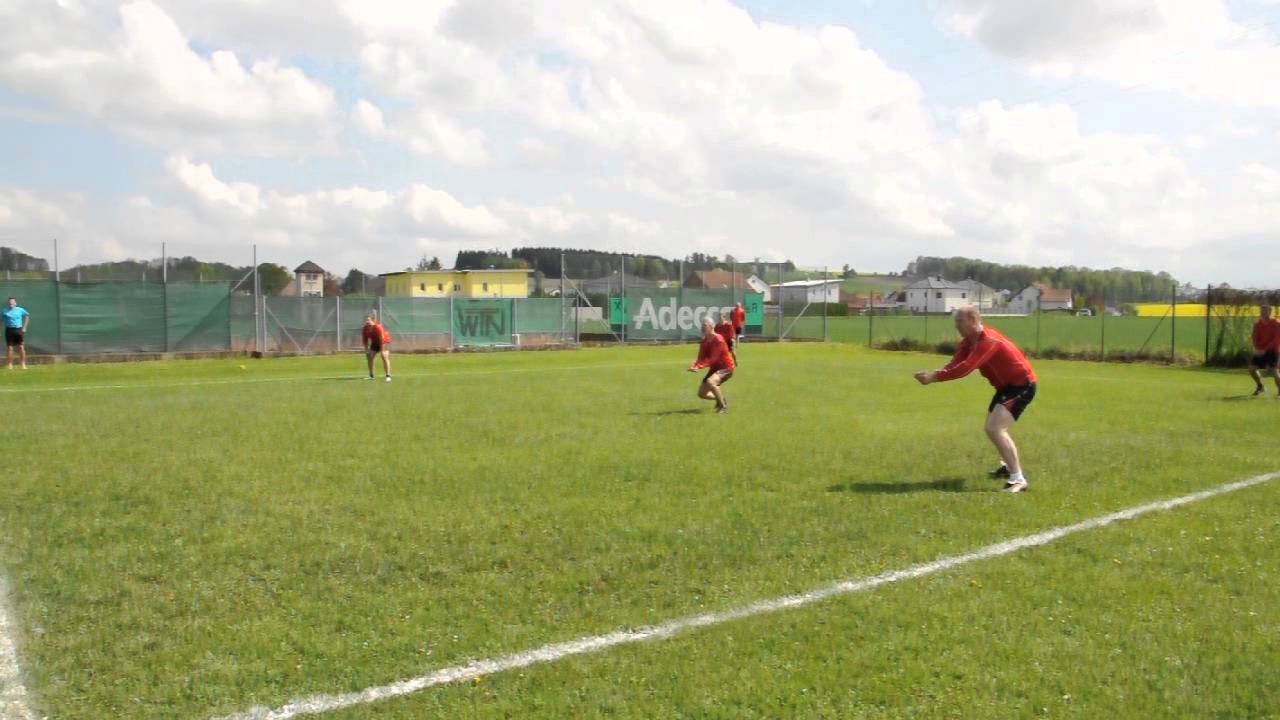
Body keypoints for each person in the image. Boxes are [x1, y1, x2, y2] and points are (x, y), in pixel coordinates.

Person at [913, 306, 1037, 493]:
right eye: (956, 321)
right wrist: (934, 374)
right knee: (993, 428)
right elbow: (955, 364)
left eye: (960, 321)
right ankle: (1008, 467)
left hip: (1022, 386)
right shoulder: (967, 343)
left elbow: (966, 368)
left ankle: (1018, 480)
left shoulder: (988, 341)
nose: (956, 325)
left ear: (973, 320)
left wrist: (934, 377)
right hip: (1005, 388)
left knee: (995, 428)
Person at [689, 316, 735, 414]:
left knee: (711, 382)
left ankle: (723, 407)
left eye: (705, 325)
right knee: (701, 394)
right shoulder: (704, 341)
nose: (702, 327)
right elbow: (701, 358)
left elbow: (712, 359)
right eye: (702, 325)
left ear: (711, 326)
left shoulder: (719, 339)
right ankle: (720, 398)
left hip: (726, 367)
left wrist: (699, 366)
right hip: (715, 368)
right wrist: (694, 365)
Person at [1248, 304, 1280, 397]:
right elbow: (1254, 338)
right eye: (1261, 311)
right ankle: (1260, 387)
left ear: (1270, 312)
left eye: (1265, 311)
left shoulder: (1277, 323)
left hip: (1274, 351)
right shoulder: (1257, 325)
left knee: (1275, 371)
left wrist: (1265, 350)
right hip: (1261, 350)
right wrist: (1256, 349)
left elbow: (1276, 340)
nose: (1262, 313)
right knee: (1251, 369)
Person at [362, 315, 392, 382]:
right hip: (375, 343)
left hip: (384, 342)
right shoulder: (365, 328)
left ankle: (388, 376)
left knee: (384, 356)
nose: (367, 321)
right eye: (366, 320)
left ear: (373, 321)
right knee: (370, 357)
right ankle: (371, 376)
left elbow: (382, 339)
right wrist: (367, 351)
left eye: (368, 320)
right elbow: (365, 341)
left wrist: (382, 351)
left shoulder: (378, 327)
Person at [3, 297, 29, 370]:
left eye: (12, 302)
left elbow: (27, 316)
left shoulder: (20, 310)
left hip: (18, 330)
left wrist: (24, 327)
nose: (10, 303)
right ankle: (10, 364)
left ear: (15, 303)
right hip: (9, 330)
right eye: (9, 302)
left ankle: (23, 364)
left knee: (21, 347)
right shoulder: (4, 311)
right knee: (10, 348)